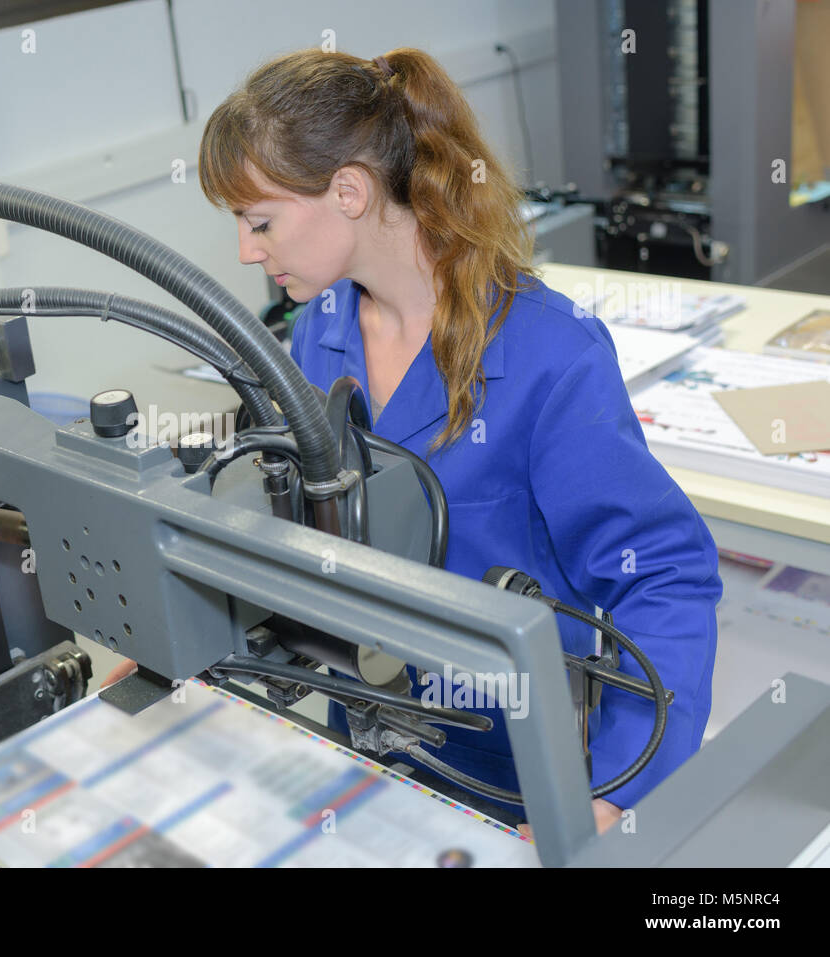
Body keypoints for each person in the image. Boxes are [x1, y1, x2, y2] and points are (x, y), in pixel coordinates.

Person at [109, 46, 724, 836]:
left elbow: (666, 576)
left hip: (511, 767)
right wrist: (178, 645)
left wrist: (603, 799)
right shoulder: (319, 333)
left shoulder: (549, 356)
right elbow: (288, 538)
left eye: (259, 221)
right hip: (360, 743)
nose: (245, 251)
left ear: (350, 192)